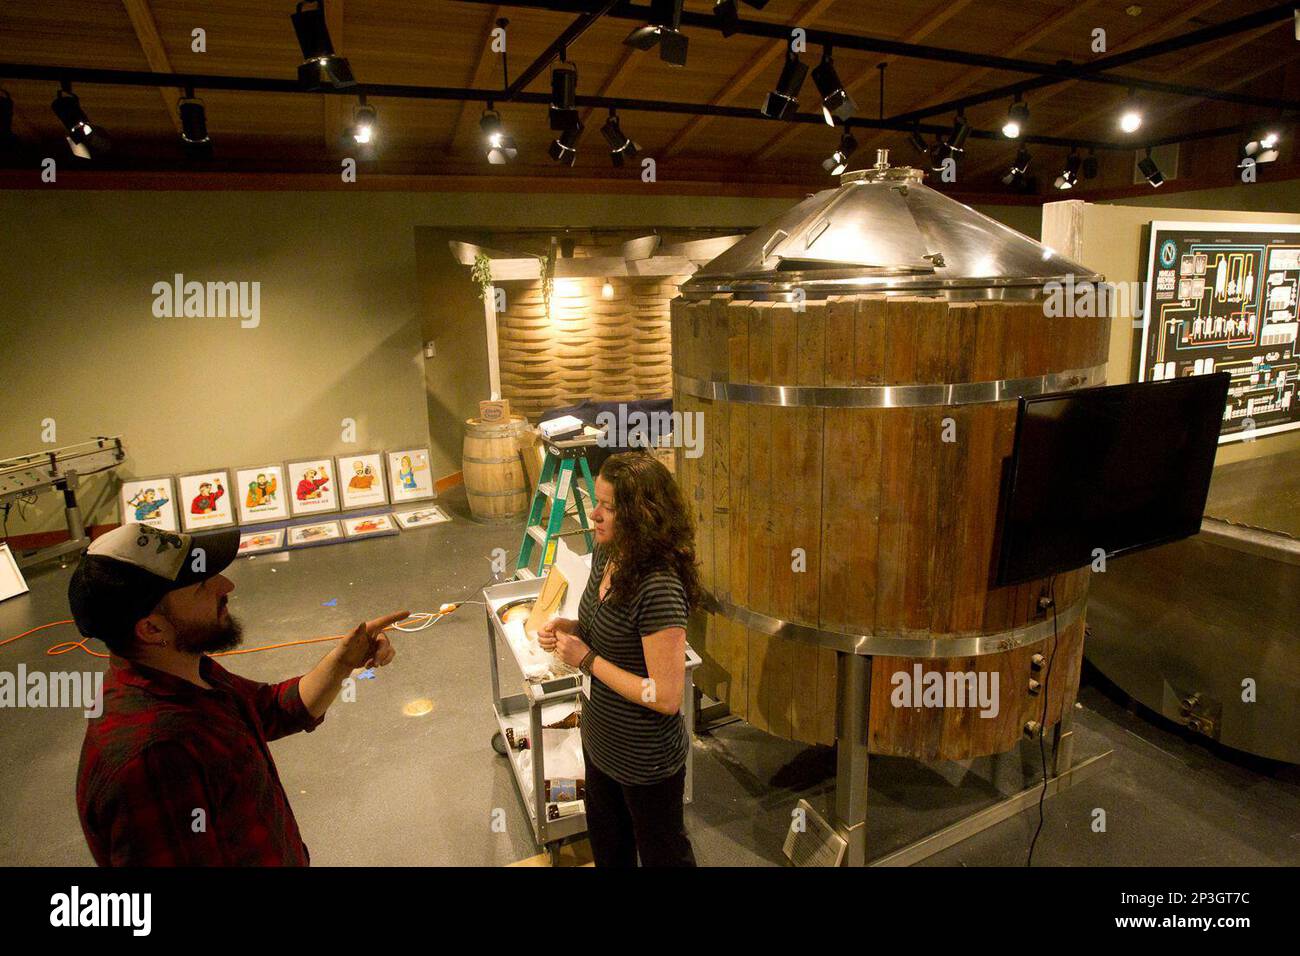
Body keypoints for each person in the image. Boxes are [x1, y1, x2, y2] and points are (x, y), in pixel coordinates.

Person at [69, 522, 407, 866]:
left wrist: (342, 663)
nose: (227, 585)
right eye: (202, 584)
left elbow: (270, 709)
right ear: (152, 628)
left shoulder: (188, 672)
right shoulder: (155, 758)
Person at [539, 452, 698, 867]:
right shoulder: (609, 555)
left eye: (609, 507)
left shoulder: (658, 587)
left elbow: (665, 696)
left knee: (664, 856)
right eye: (598, 502)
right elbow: (608, 629)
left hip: (644, 762)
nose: (594, 514)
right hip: (600, 744)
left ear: (641, 514)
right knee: (611, 852)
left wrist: (586, 658)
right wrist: (570, 627)